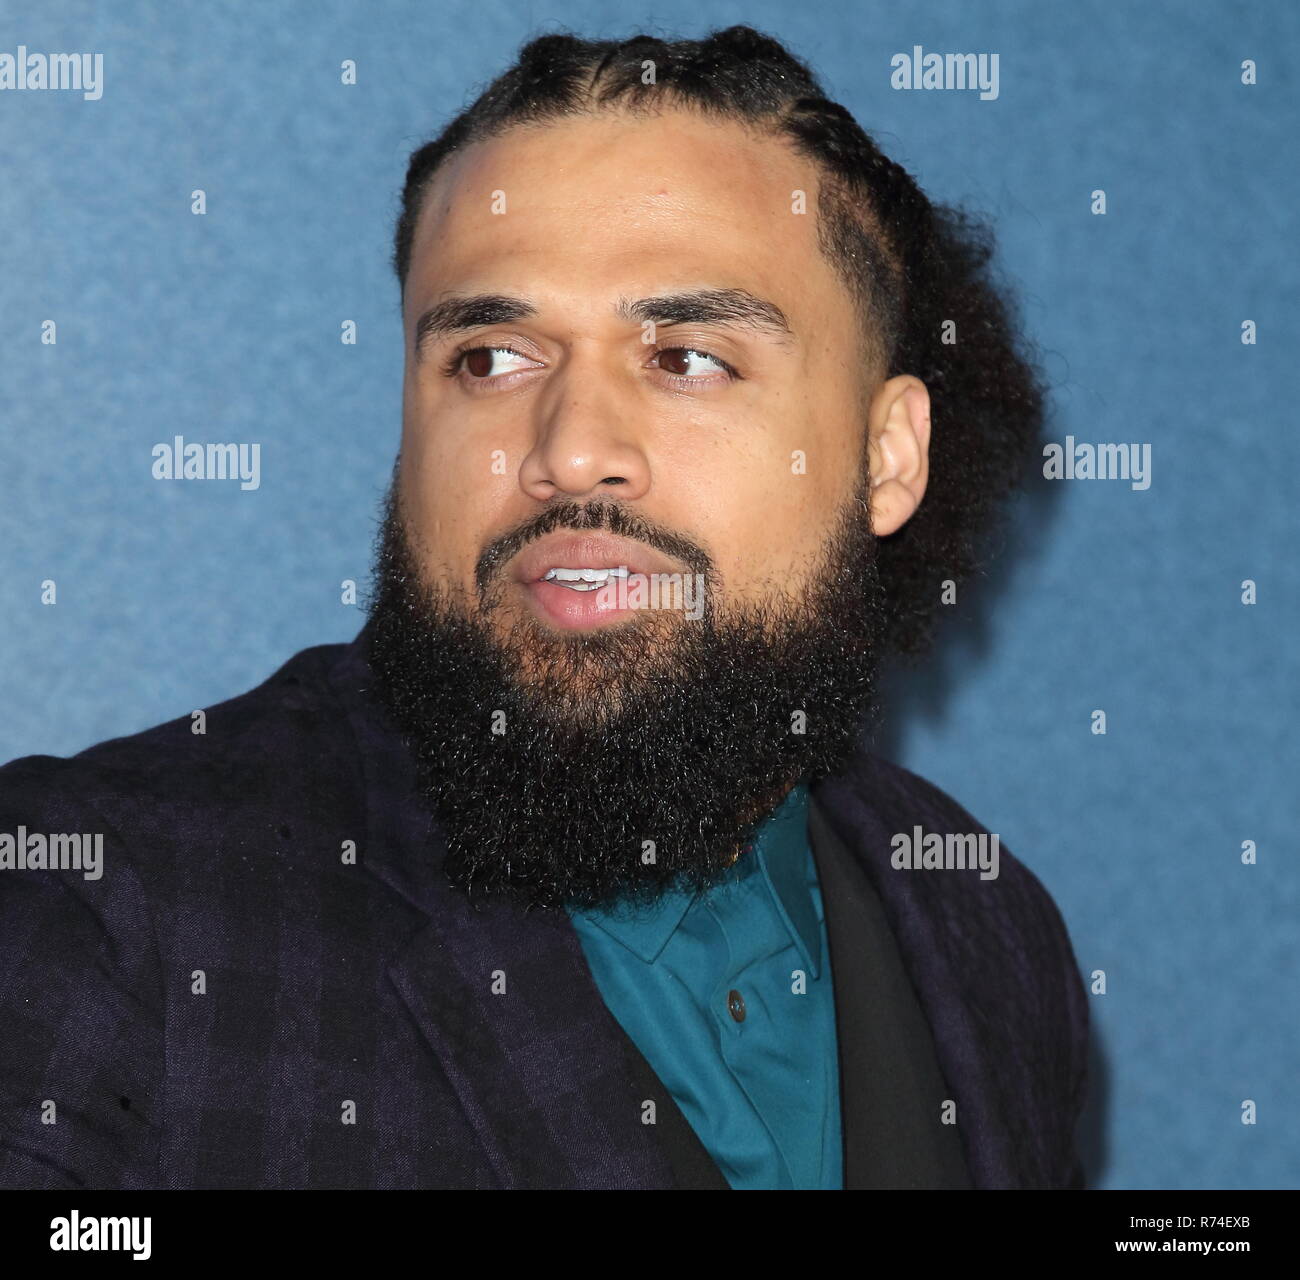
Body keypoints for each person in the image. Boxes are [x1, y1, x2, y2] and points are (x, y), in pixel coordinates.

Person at [0, 25, 1087, 1189]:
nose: (570, 452)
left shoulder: (983, 923)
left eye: (686, 358)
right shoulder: (87, 912)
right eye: (491, 358)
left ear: (886, 457)